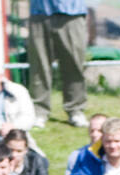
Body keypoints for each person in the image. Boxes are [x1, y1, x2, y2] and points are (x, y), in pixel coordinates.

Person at [27, 0, 89, 128]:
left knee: (74, 64)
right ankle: (39, 111)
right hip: (40, 11)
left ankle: (75, 110)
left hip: (72, 12)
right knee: (39, 66)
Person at [66, 111, 105, 175]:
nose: (94, 134)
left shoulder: (117, 155)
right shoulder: (77, 156)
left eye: (100, 131)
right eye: (92, 131)